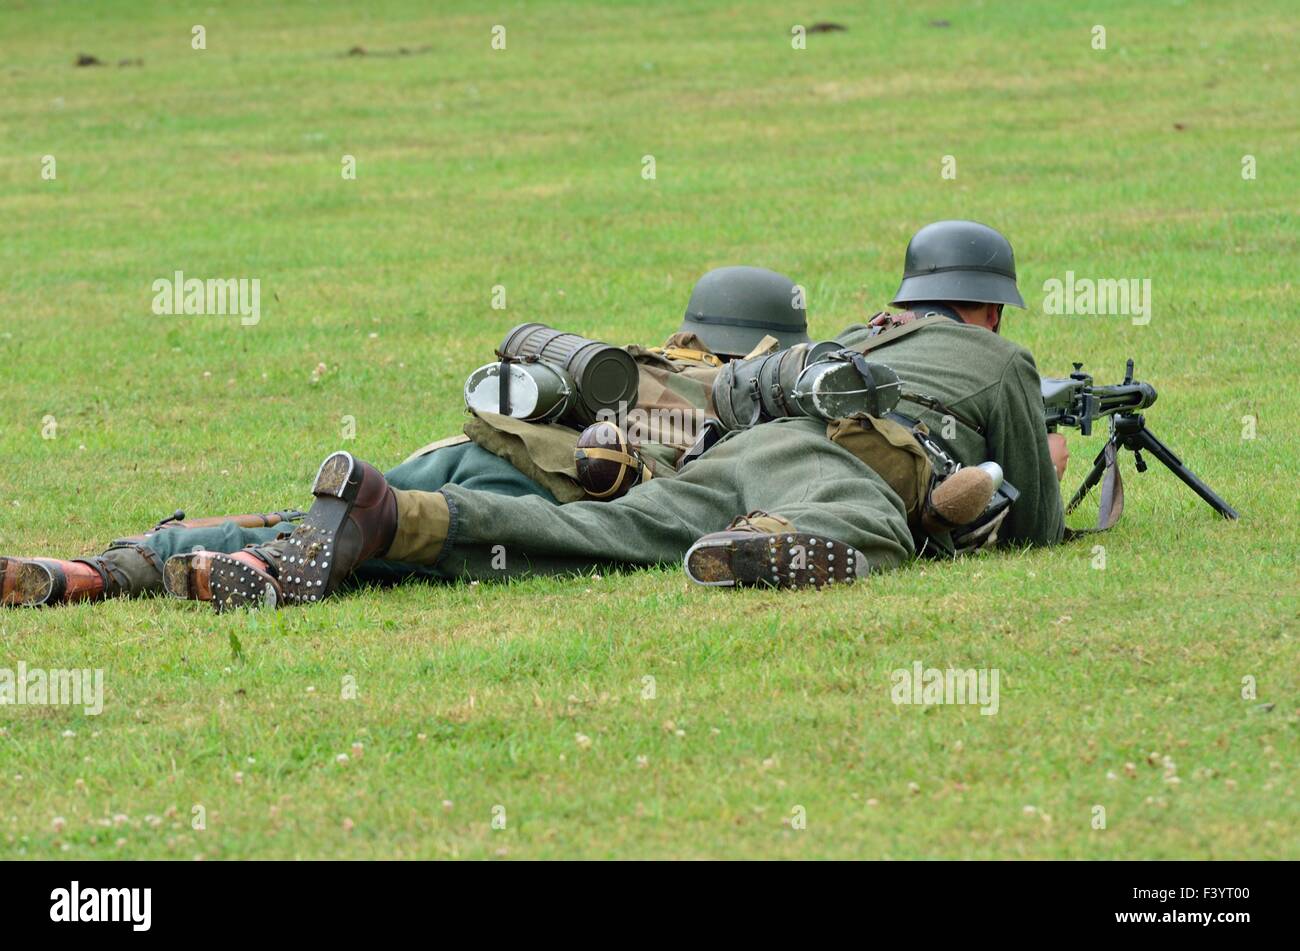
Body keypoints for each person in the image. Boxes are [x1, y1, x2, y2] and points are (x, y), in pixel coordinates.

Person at [194, 220, 1069, 608]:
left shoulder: (856, 339)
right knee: (871, 519)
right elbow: (1035, 531)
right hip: (857, 460)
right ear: (990, 308)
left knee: (619, 533)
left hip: (747, 446)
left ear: (912, 297)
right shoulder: (997, 358)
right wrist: (1057, 466)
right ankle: (765, 542)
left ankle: (396, 516)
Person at [1, 266, 813, 607]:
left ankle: (96, 568)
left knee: (309, 515)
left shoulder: (629, 360)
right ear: (770, 345)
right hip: (544, 484)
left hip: (468, 442)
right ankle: (256, 572)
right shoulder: (736, 396)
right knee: (377, 541)